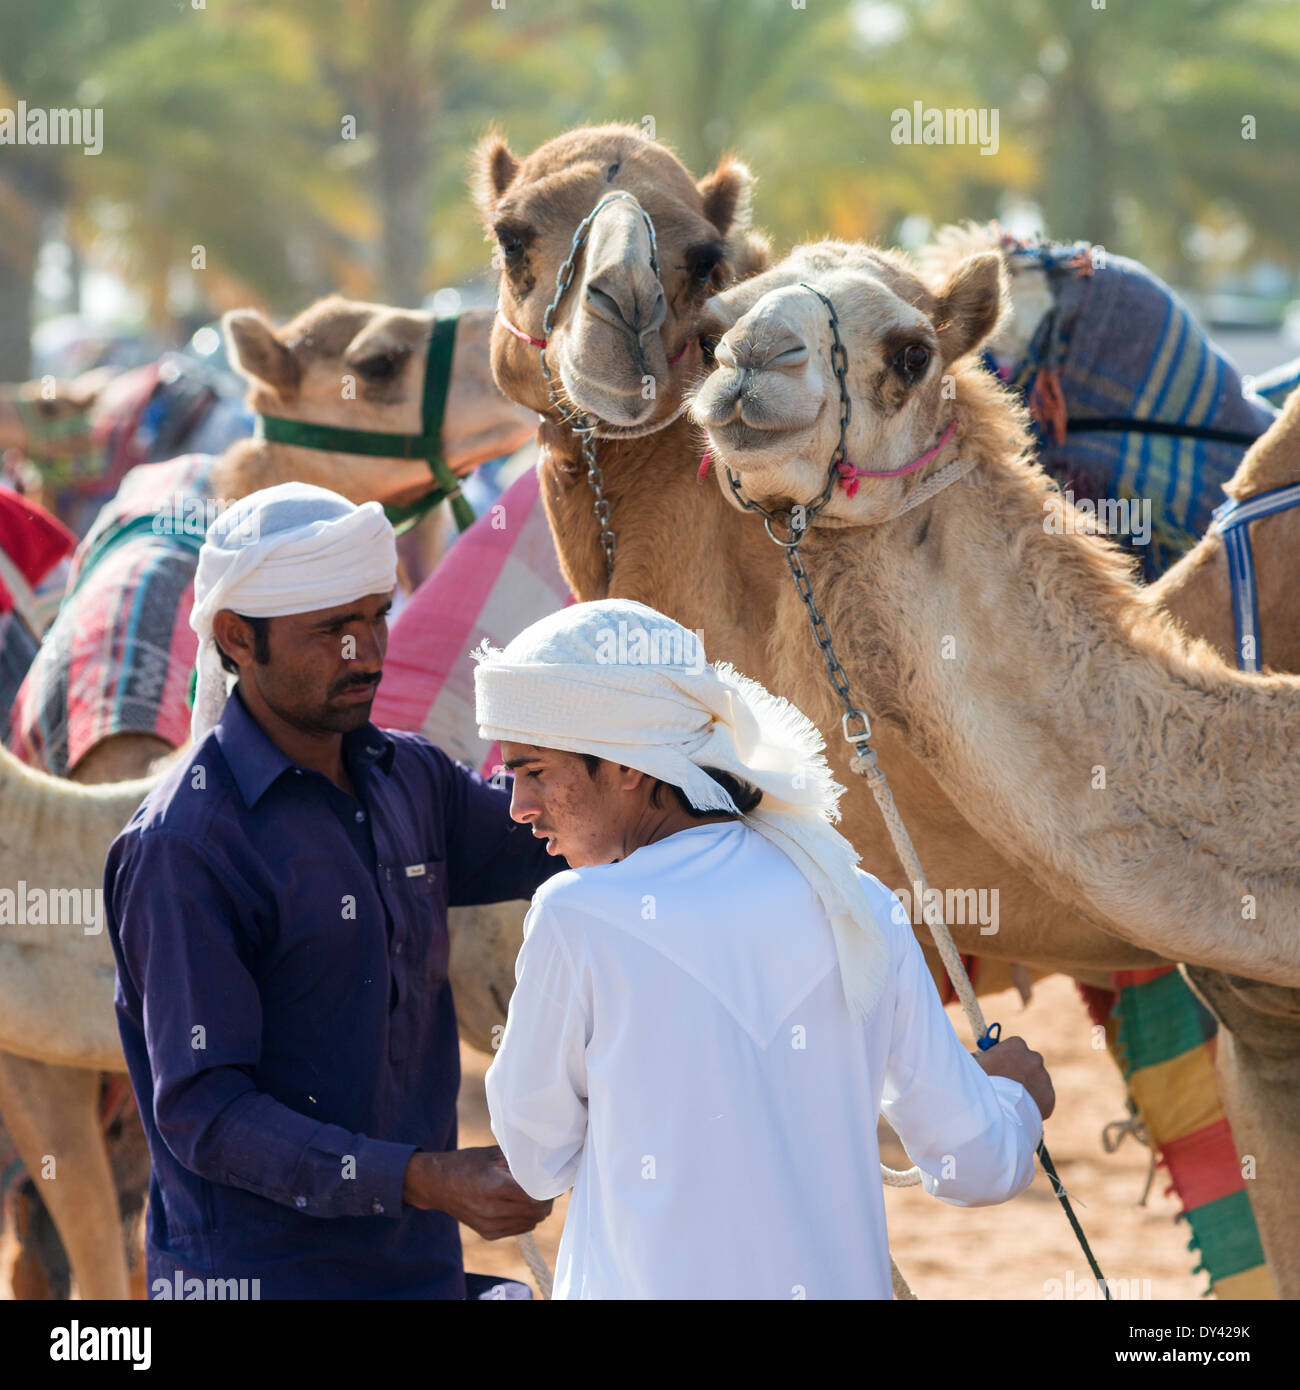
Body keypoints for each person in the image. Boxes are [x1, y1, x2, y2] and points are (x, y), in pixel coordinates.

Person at [477, 598, 1055, 1299]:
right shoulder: (856, 900)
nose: (519, 807)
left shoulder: (578, 916)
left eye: (535, 771)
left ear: (628, 763)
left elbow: (537, 1159)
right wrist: (1014, 1095)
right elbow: (977, 1167)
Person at [104, 482, 561, 1299]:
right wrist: (423, 1179)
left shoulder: (409, 778)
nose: (369, 652)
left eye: (378, 615)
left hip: (415, 1270)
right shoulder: (185, 848)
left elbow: (557, 838)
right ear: (239, 639)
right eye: (331, 631)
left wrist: (678, 781)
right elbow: (208, 1117)